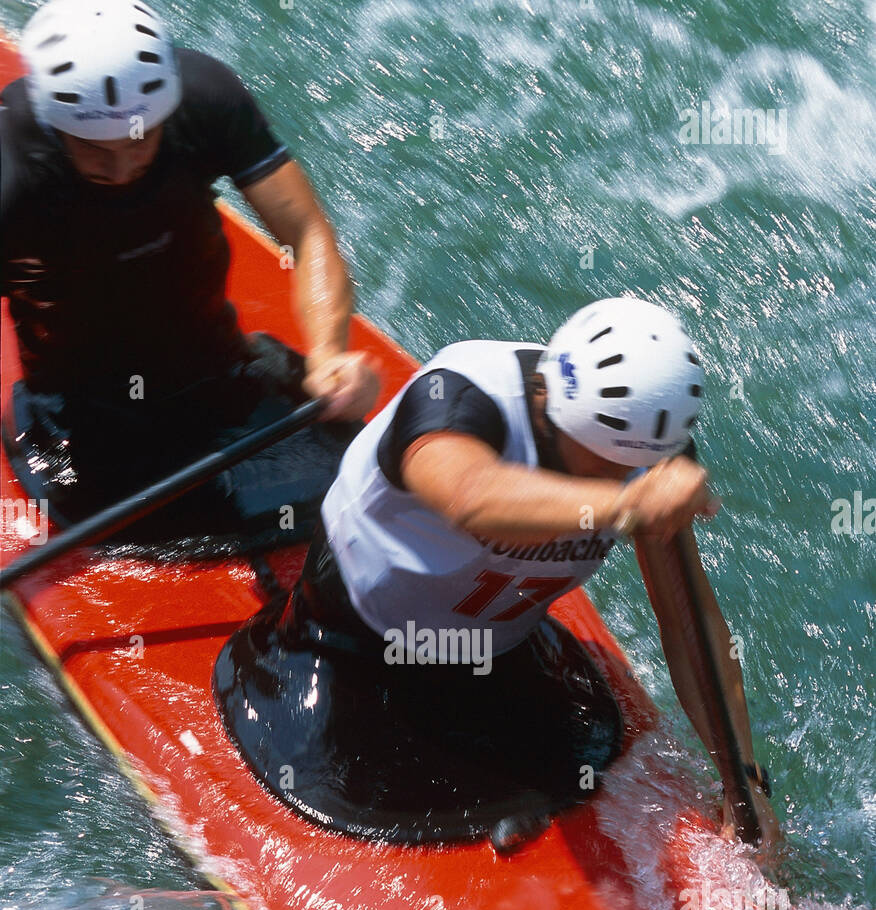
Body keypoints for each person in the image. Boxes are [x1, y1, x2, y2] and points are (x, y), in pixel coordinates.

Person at [291, 295, 778, 845]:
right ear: (550, 406)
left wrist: (742, 778)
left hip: (496, 655)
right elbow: (469, 498)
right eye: (603, 462)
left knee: (564, 776)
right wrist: (630, 504)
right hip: (347, 646)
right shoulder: (458, 399)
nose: (621, 478)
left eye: (632, 469)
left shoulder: (648, 448)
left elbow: (690, 624)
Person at [0, 0, 379, 538]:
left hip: (218, 366)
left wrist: (328, 355)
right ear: (52, 123)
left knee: (362, 476)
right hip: (83, 410)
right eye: (92, 150)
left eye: (140, 138)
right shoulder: (9, 173)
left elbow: (308, 234)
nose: (122, 166)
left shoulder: (206, 95)